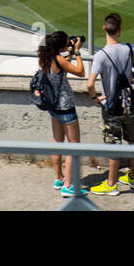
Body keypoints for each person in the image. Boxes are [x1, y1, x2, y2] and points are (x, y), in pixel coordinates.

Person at [86, 12, 134, 196]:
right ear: (120, 30)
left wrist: (95, 98)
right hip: (129, 103)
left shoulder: (101, 55)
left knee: (113, 145)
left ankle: (111, 184)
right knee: (133, 140)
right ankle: (133, 178)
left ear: (104, 29)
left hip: (111, 106)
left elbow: (90, 83)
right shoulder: (130, 49)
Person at [38, 30, 86, 197]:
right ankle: (68, 186)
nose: (69, 44)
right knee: (74, 146)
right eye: (67, 42)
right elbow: (80, 72)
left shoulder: (46, 59)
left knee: (57, 141)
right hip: (65, 107)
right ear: (60, 46)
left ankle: (59, 178)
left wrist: (70, 52)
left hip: (53, 106)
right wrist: (78, 51)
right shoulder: (58, 59)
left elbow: (62, 68)